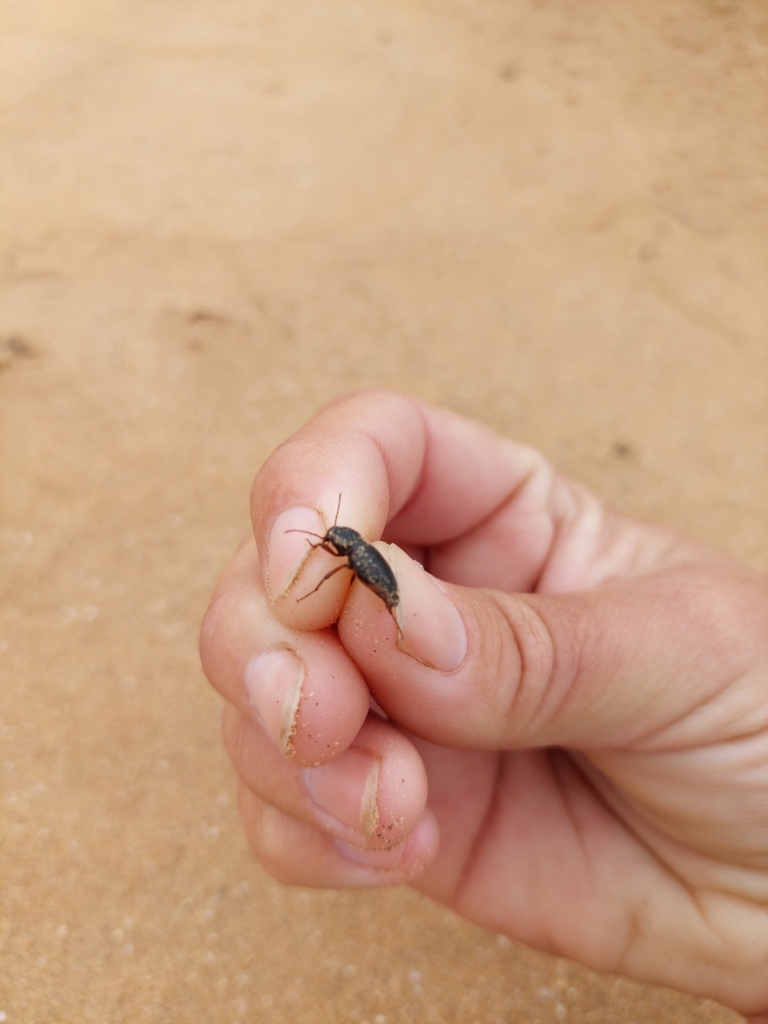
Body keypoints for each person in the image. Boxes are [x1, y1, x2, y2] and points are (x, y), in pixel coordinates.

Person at [200, 390, 768, 1022]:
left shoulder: (355, 554)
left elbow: (350, 570)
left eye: (334, 534)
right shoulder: (354, 551)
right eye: (334, 536)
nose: (335, 539)